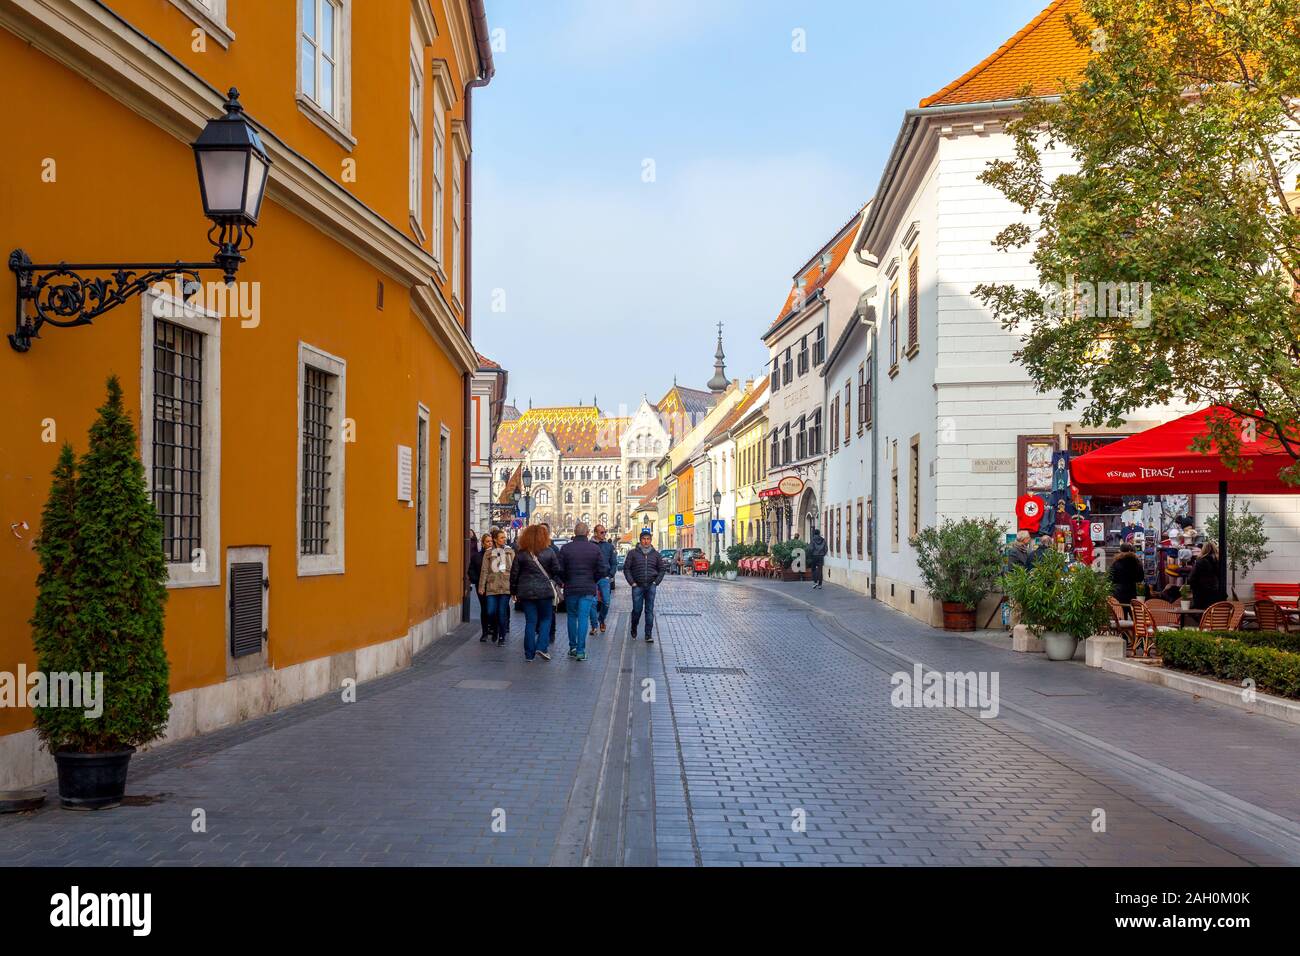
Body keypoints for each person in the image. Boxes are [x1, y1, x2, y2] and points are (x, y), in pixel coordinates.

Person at [558, 522, 608, 661]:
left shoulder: (566, 549)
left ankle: (572, 647)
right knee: (583, 618)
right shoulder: (594, 549)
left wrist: (565, 580)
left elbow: (559, 569)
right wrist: (593, 579)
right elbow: (603, 569)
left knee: (572, 617)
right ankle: (581, 651)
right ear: (587, 533)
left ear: (574, 533)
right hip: (587, 588)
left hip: (571, 588)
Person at [510, 524, 561, 662]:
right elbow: (557, 571)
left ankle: (529, 654)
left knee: (530, 622)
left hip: (526, 592)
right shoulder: (549, 552)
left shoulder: (521, 554)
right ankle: (542, 647)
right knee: (546, 619)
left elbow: (514, 574)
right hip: (545, 592)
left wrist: (513, 591)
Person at [624, 529, 665, 642]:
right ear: (640, 540)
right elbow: (626, 569)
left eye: (648, 539)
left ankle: (648, 634)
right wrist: (632, 582)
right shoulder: (633, 553)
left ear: (651, 540)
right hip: (637, 586)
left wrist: (656, 582)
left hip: (651, 585)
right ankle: (634, 626)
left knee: (649, 610)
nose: (646, 541)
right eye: (644, 539)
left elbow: (662, 569)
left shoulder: (656, 554)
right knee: (637, 610)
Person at [478, 529, 514, 646]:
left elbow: (514, 569)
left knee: (502, 612)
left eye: (504, 537)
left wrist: (515, 587)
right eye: (502, 537)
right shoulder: (488, 553)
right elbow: (484, 570)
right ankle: (495, 629)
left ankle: (502, 637)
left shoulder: (509, 551)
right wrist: (481, 586)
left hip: (505, 586)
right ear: (495, 539)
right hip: (492, 586)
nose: (504, 539)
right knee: (490, 611)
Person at [589, 524, 616, 636]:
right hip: (591, 578)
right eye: (601, 532)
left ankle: (601, 620)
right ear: (595, 533)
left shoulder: (609, 546)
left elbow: (613, 563)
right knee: (593, 603)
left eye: (605, 532)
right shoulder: (589, 545)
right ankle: (594, 626)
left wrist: (610, 575)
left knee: (606, 602)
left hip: (604, 577)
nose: (604, 534)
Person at [467, 532, 494, 642]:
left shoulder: (497, 555)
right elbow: (471, 570)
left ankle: (494, 628)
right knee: (484, 608)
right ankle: (484, 632)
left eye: (491, 541)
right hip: (481, 586)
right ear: (483, 543)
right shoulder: (477, 557)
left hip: (494, 586)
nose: (490, 543)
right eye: (487, 541)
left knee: (492, 609)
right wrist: (477, 580)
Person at [1188, 540, 1221, 610]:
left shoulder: (1200, 562)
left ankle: (1202, 621)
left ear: (1203, 550)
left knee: (1194, 612)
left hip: (1201, 595)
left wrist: (1193, 588)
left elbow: (1191, 578)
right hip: (1216, 595)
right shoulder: (1218, 562)